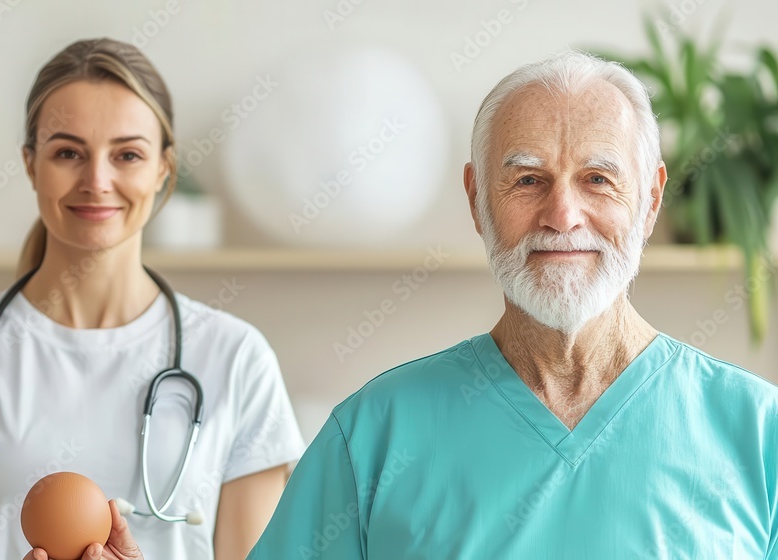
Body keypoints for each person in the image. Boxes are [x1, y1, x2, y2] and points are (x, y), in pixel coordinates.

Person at [249, 51, 778, 559]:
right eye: (528, 180)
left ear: (651, 201)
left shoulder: (759, 433)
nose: (563, 215)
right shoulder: (372, 435)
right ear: (477, 199)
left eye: (598, 179)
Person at [0, 38, 304, 560]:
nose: (97, 181)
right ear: (31, 165)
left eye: (127, 154)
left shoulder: (238, 359)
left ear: (163, 169)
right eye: (68, 153)